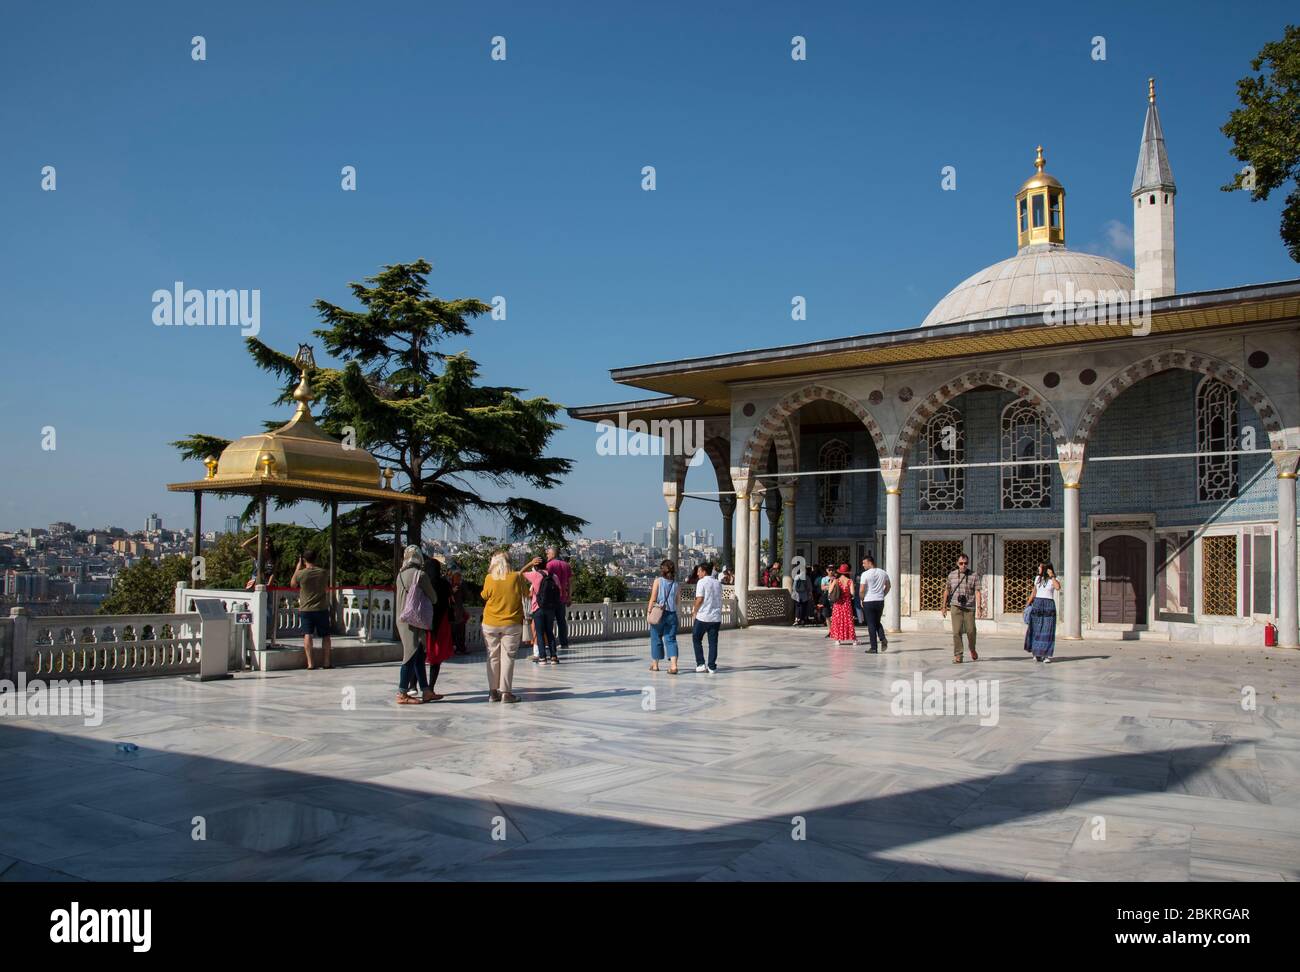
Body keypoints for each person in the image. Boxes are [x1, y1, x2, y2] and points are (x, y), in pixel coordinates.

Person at [479, 550, 529, 703]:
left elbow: (484, 595)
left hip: (490, 623)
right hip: (512, 623)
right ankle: (506, 693)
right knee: (507, 658)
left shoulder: (489, 578)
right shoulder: (517, 577)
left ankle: (493, 692)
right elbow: (526, 594)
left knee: (492, 657)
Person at [395, 546, 438, 705]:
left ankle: (426, 690)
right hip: (414, 620)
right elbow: (433, 598)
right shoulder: (421, 575)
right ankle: (401, 693)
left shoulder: (399, 575)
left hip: (402, 619)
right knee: (410, 655)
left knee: (418, 655)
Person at [290, 549, 332, 670]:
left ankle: (310, 663)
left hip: (306, 609)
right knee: (326, 636)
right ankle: (327, 662)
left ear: (304, 560)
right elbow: (326, 587)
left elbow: (292, 584)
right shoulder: (323, 572)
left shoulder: (301, 574)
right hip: (321, 608)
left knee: (308, 635)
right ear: (316, 558)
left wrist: (297, 567)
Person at [941, 551, 982, 663]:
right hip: (956, 606)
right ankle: (958, 654)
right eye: (961, 563)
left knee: (971, 631)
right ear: (957, 563)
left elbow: (978, 591)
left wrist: (979, 608)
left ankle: (972, 648)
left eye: (965, 563)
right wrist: (943, 606)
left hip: (969, 607)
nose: (963, 565)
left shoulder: (974, 575)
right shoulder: (952, 575)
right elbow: (947, 590)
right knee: (956, 631)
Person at [423, 557, 454, 698]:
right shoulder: (444, 584)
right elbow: (449, 603)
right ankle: (430, 688)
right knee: (436, 658)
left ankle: (413, 686)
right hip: (441, 623)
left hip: (423, 623)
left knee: (419, 656)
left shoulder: (423, 583)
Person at [647, 559, 679, 674]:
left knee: (656, 638)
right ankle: (674, 665)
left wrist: (649, 612)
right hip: (672, 614)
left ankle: (655, 665)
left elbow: (653, 598)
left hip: (659, 612)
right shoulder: (676, 584)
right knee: (671, 639)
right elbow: (677, 601)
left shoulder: (658, 581)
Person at [1025, 561, 1062, 664]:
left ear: (1046, 569)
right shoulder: (1037, 579)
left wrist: (1052, 576)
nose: (1038, 568)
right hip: (1037, 604)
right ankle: (1036, 653)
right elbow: (1034, 592)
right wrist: (1028, 604)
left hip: (1048, 606)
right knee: (1036, 629)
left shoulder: (1053, 579)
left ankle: (1045, 655)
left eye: (1040, 567)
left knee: (1047, 629)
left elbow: (1058, 587)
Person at [691, 562, 723, 673]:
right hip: (716, 617)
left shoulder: (702, 582)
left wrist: (694, 611)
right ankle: (712, 666)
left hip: (703, 616)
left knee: (696, 638)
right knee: (713, 643)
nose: (697, 573)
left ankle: (700, 664)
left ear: (704, 571)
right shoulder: (718, 583)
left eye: (699, 571)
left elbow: (699, 599)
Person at [858, 554, 891, 653]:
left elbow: (862, 589)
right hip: (880, 601)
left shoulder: (865, 574)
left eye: (864, 563)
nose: (863, 565)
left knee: (871, 624)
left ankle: (874, 647)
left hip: (869, 601)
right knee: (877, 622)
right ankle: (882, 638)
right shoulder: (883, 572)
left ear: (869, 562)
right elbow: (888, 586)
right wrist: (882, 595)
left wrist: (861, 599)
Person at [545, 545, 572, 655]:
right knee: (561, 621)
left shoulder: (549, 565)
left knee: (549, 621)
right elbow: (570, 582)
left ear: (553, 554)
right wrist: (569, 596)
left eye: (548, 553)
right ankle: (564, 642)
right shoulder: (566, 565)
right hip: (562, 598)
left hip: (551, 598)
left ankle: (550, 643)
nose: (547, 555)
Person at [828, 563, 857, 646]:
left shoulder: (836, 580)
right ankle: (853, 639)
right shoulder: (850, 581)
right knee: (848, 621)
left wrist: (831, 582)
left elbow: (830, 591)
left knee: (837, 621)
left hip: (837, 604)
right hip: (847, 604)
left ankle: (838, 639)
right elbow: (852, 593)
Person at [448, 568, 469, 655]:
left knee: (459, 631)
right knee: (456, 631)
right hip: (454, 612)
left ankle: (459, 647)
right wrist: (452, 592)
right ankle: (458, 647)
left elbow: (465, 596)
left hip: (457, 612)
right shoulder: (450, 586)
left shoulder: (460, 586)